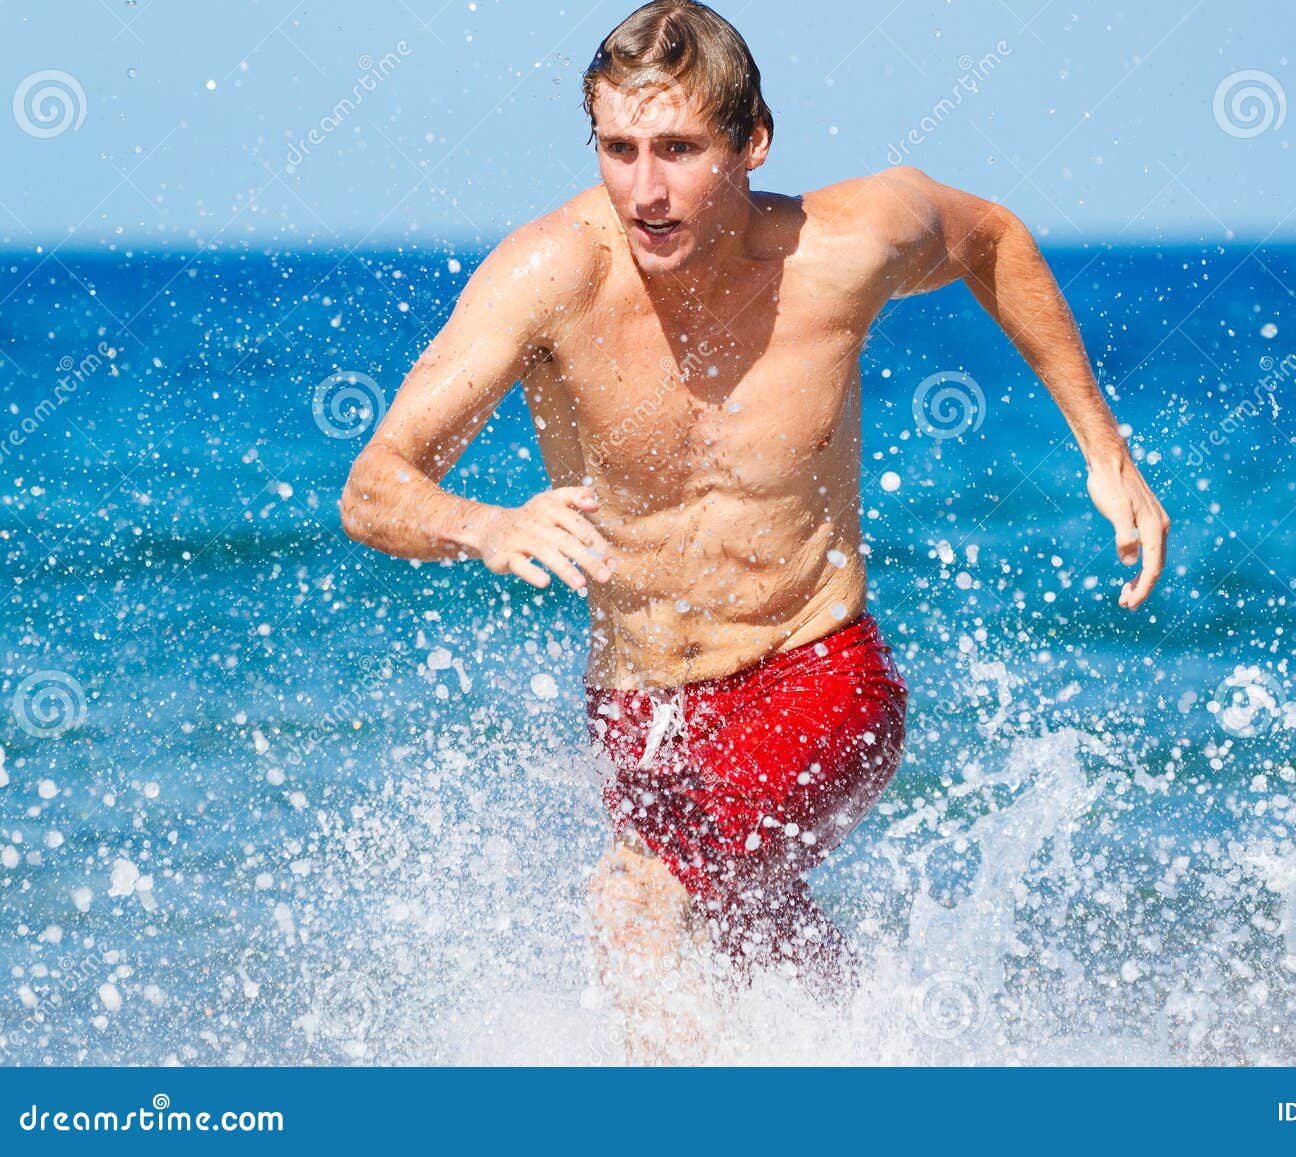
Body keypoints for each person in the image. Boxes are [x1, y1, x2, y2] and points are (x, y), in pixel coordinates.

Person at [339, 0, 1170, 1055]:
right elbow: (374, 488)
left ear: (752, 141)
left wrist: (1104, 450)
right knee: (749, 944)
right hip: (636, 714)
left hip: (815, 673)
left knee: (637, 901)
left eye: (680, 150)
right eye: (619, 149)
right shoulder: (549, 275)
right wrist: (483, 526)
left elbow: (992, 237)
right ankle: (891, 1063)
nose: (646, 191)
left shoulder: (843, 247)